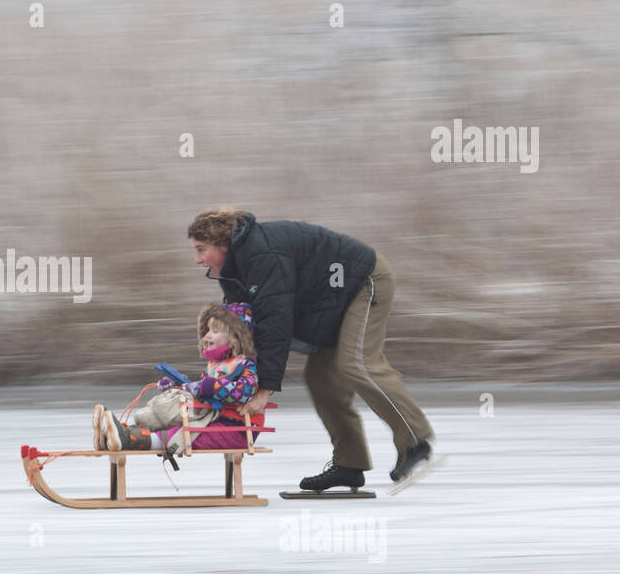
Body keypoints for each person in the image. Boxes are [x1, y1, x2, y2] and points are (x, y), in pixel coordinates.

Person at [186, 207, 435, 491]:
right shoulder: (233, 272)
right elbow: (245, 331)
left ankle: (416, 441)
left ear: (222, 243)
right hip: (330, 301)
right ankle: (349, 464)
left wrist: (264, 389)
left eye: (201, 249)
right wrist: (228, 376)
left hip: (363, 280)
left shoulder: (262, 256)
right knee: (321, 380)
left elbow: (275, 323)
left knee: (356, 363)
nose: (198, 260)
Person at [94, 302, 260, 454]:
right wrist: (177, 386)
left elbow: (245, 391)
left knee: (181, 433)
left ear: (234, 338)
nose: (208, 336)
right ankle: (118, 435)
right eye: (208, 330)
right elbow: (200, 390)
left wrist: (212, 386)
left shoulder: (245, 365)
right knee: (167, 421)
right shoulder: (217, 365)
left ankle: (128, 440)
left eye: (215, 331)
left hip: (237, 428)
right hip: (211, 418)